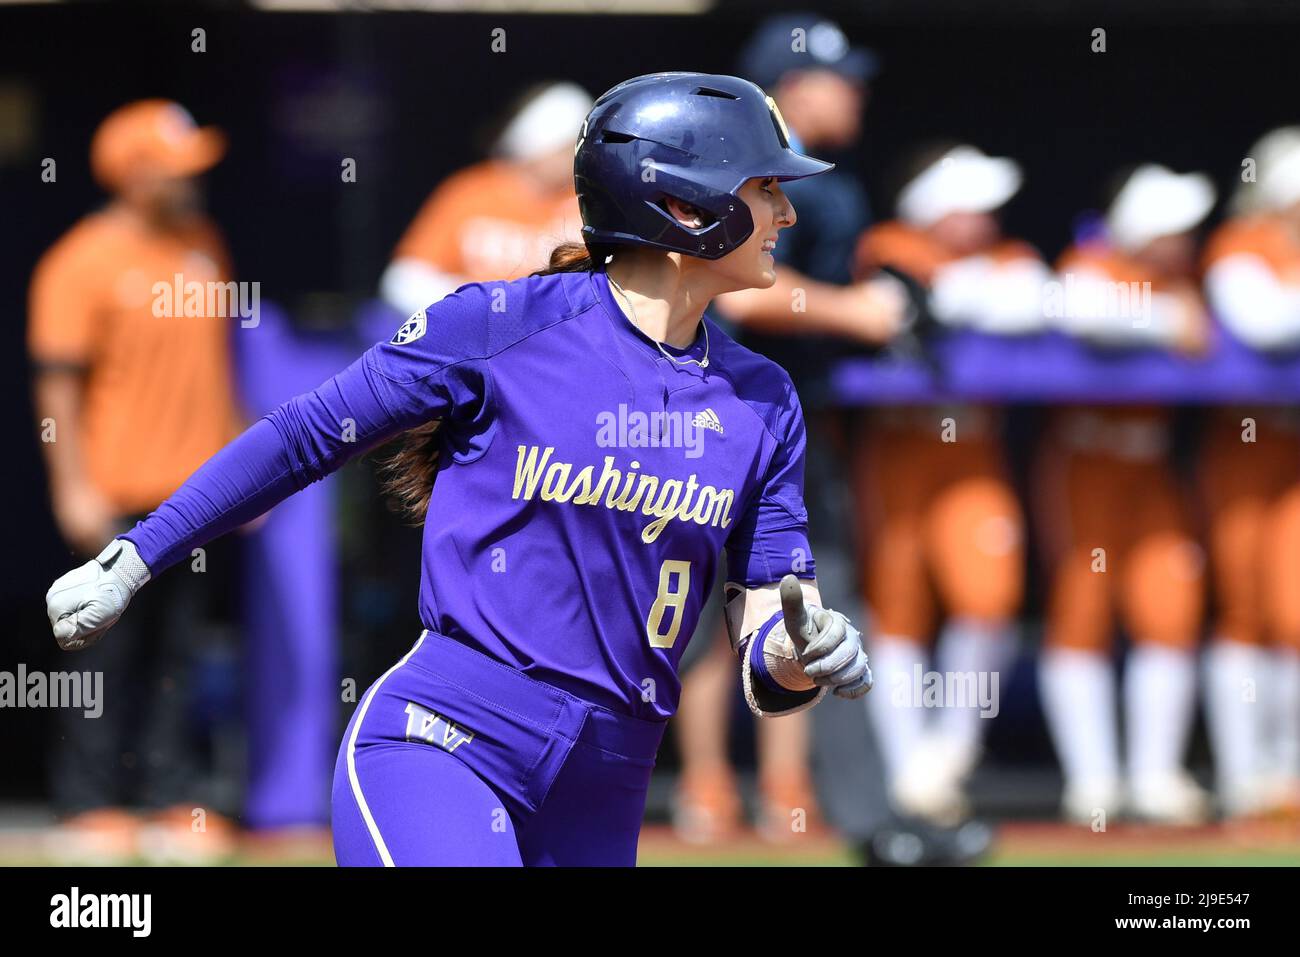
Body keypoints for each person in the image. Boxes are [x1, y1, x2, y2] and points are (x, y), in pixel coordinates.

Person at [44, 73, 872, 867]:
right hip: (446, 742)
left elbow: (766, 632)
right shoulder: (499, 326)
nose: (788, 211)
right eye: (767, 188)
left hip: (608, 780)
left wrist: (802, 655)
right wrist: (139, 554)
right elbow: (303, 437)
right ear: (687, 205)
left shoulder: (764, 398)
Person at [674, 12, 903, 848]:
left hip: (781, 419)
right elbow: (736, 287)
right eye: (843, 78)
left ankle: (786, 789)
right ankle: (705, 788)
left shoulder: (833, 186)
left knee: (798, 604)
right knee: (695, 616)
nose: (858, 93)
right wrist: (858, 313)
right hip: (699, 417)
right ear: (796, 86)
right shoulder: (718, 162)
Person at [29, 99, 242, 862]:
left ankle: (170, 798)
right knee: (103, 652)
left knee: (183, 654)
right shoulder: (80, 260)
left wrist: (241, 467)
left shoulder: (203, 245)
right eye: (176, 169)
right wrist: (73, 485)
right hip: (117, 490)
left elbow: (217, 370)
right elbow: (57, 385)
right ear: (136, 175)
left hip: (196, 496)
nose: (192, 183)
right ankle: (89, 805)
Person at [850, 143, 1042, 824]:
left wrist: (961, 297)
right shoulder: (888, 243)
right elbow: (896, 302)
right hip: (899, 447)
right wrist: (952, 297)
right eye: (972, 205)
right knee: (897, 607)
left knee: (990, 594)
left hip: (972, 449)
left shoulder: (1007, 257)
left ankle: (950, 748)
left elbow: (1030, 301)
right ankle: (907, 771)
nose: (988, 219)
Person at [1037, 164, 1214, 825]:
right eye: (1173, 226)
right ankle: (1094, 782)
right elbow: (1081, 313)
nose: (1185, 240)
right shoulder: (1092, 265)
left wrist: (1177, 309)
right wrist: (1169, 321)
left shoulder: (1186, 280)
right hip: (1085, 461)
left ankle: (1154, 777)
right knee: (1083, 609)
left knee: (1171, 609)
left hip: (1151, 467)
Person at [1198, 128, 1300, 817]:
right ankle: (1245, 780)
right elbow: (1262, 320)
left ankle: (1288, 777)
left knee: (1294, 611)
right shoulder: (1241, 243)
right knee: (1244, 605)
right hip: (1247, 444)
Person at [378, 81, 592, 316]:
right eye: (563, 148)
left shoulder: (587, 199)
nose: (572, 157)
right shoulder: (471, 192)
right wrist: (475, 307)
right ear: (534, 144)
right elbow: (404, 279)